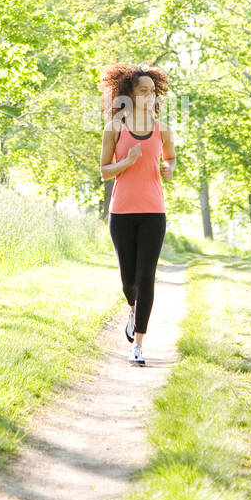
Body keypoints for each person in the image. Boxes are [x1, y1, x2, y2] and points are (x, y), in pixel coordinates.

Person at [99, 62, 176, 366]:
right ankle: (133, 310)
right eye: (142, 91)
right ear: (129, 95)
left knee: (146, 278)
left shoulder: (163, 129)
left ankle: (138, 346)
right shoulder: (114, 129)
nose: (149, 96)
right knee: (128, 280)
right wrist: (127, 162)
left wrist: (168, 169)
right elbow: (105, 172)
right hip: (121, 213)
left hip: (153, 213)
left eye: (152, 91)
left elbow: (169, 160)